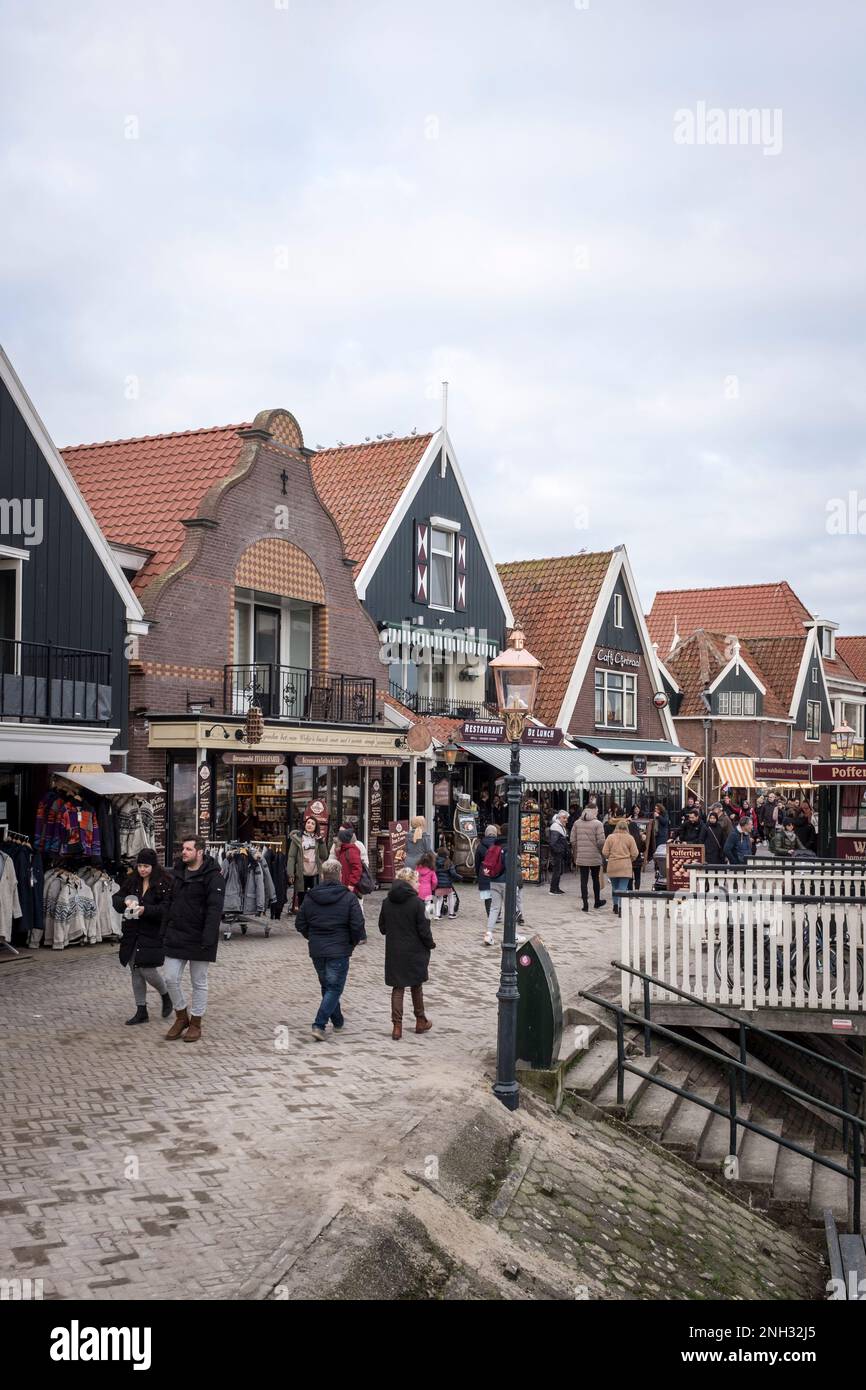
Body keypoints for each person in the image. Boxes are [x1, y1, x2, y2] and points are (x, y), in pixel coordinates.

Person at [162, 837, 225, 1043]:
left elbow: (214, 909)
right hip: (177, 934)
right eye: (183, 848)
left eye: (188, 849)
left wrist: (208, 937)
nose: (184, 852)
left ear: (199, 852)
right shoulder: (177, 873)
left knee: (199, 982)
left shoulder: (213, 876)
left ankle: (196, 1022)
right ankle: (181, 1016)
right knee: (170, 978)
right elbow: (169, 902)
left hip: (200, 937)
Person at [295, 857, 366, 1040]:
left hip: (318, 948)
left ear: (322, 875)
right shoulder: (349, 898)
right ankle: (319, 1024)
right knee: (333, 987)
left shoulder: (311, 897)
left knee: (328, 985)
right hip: (339, 948)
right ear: (340, 875)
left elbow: (300, 923)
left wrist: (312, 937)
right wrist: (351, 943)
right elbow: (357, 925)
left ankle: (338, 1021)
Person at [112, 848, 173, 1026]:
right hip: (132, 931)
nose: (142, 870)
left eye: (146, 866)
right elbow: (116, 898)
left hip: (151, 933)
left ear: (153, 866)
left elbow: (166, 909)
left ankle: (165, 994)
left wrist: (146, 910)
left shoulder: (164, 882)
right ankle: (141, 1010)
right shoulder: (132, 881)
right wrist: (125, 902)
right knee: (135, 970)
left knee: (147, 969)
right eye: (140, 866)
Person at [378, 867, 435, 1040]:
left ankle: (397, 1026)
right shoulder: (418, 904)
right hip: (415, 951)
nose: (419, 884)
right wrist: (430, 944)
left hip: (395, 951)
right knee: (416, 985)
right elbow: (424, 930)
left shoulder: (387, 902)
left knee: (398, 987)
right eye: (417, 881)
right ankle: (420, 1020)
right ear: (410, 882)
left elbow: (382, 928)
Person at [570, 806, 606, 912]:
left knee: (583, 880)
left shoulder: (577, 823)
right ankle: (597, 901)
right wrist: (601, 852)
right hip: (595, 856)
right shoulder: (598, 824)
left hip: (582, 856)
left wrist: (576, 852)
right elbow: (601, 842)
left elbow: (572, 840)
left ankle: (585, 905)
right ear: (594, 811)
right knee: (595, 879)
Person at [287, 816, 328, 910]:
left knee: (315, 899)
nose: (310, 825)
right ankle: (303, 920)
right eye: (308, 822)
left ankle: (313, 919)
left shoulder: (318, 839)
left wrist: (321, 842)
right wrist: (290, 874)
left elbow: (324, 856)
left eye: (313, 823)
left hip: (315, 873)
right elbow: (291, 857)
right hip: (302, 873)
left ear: (316, 827)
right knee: (302, 899)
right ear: (305, 824)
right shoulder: (297, 838)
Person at [601, 818, 639, 917]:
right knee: (623, 888)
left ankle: (615, 905)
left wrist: (610, 857)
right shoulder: (630, 838)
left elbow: (604, 852)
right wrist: (630, 859)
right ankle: (622, 907)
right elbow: (635, 853)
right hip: (625, 865)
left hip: (613, 865)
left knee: (614, 887)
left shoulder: (610, 837)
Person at [475, 823, 498, 919]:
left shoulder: (480, 846)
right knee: (496, 895)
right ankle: (497, 914)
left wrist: (478, 874)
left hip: (484, 872)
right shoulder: (498, 845)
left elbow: (477, 861)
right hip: (496, 873)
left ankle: (490, 915)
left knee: (487, 896)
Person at [334, 827, 362, 895]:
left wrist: (351, 884)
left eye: (338, 838)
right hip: (343, 884)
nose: (336, 839)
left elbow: (357, 868)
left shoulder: (351, 851)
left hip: (349, 886)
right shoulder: (343, 850)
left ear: (342, 840)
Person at [432, 849, 459, 919]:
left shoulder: (434, 862)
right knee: (451, 896)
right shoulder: (449, 862)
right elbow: (453, 873)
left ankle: (437, 915)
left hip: (438, 884)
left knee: (439, 898)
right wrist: (460, 877)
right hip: (447, 884)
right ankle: (451, 913)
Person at [548, 811, 569, 894]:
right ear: (559, 818)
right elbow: (553, 842)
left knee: (559, 871)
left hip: (559, 852)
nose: (566, 820)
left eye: (566, 818)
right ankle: (553, 889)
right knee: (557, 871)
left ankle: (556, 888)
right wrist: (559, 851)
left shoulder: (558, 826)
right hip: (557, 853)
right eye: (564, 818)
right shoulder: (556, 827)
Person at [627, 806, 646, 891]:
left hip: (629, 860)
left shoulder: (628, 838)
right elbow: (643, 849)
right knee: (638, 877)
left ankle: (630, 891)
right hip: (638, 860)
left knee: (630, 877)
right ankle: (637, 891)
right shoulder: (639, 838)